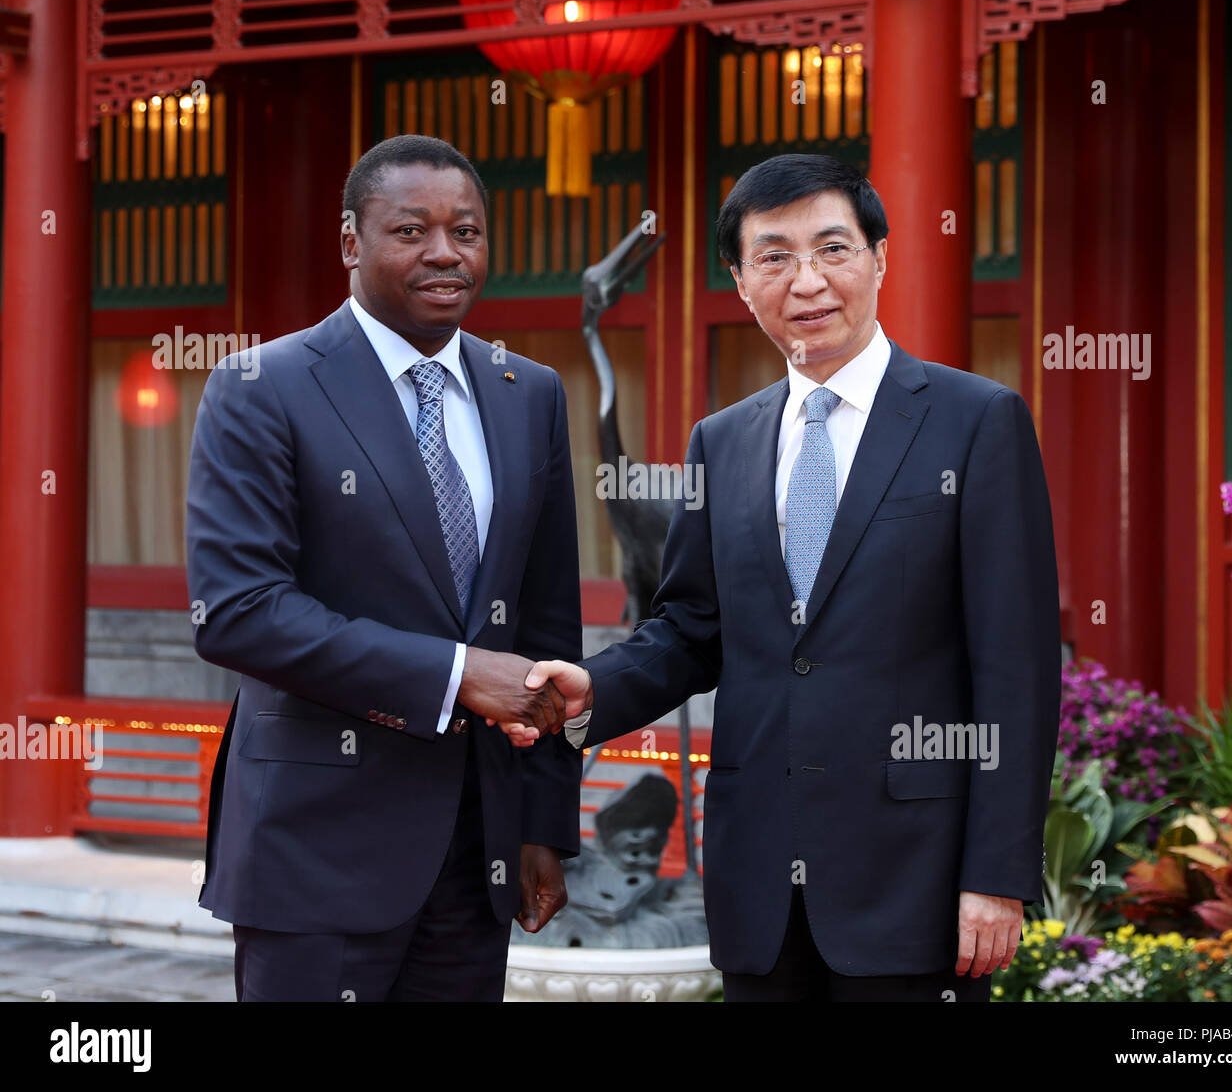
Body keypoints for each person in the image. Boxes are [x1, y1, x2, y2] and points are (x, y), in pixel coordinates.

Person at [514, 153, 1062, 1002]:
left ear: (879, 256)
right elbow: (692, 629)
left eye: (833, 248)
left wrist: (996, 873)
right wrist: (594, 684)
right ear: (740, 279)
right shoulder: (722, 441)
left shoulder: (976, 422)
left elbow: (1017, 670)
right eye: (774, 256)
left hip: (914, 881)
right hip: (760, 881)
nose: (807, 281)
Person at [186, 135, 582, 1001]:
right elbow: (240, 609)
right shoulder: (261, 384)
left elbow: (548, 622)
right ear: (350, 243)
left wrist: (544, 821)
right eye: (412, 230)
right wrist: (455, 674)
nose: (446, 253)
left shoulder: (531, 392)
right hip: (316, 845)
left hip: (477, 848)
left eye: (467, 231)